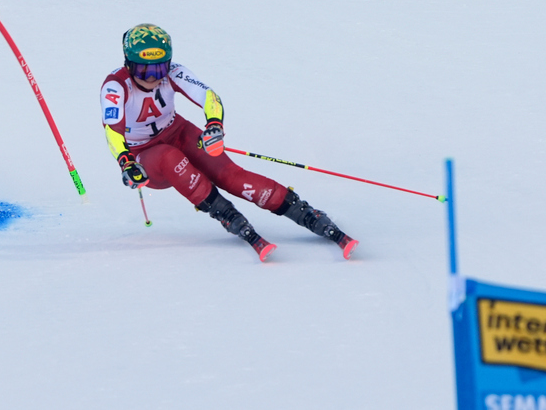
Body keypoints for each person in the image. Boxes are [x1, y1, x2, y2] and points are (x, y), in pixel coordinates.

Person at [100, 23, 358, 262]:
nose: (154, 77)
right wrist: (125, 162)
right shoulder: (115, 86)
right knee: (170, 157)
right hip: (146, 156)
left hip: (177, 131)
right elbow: (112, 130)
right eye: (145, 70)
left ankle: (305, 213)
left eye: (160, 68)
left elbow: (208, 96)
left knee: (231, 176)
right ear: (128, 64)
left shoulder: (174, 72)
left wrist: (214, 125)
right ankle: (227, 215)